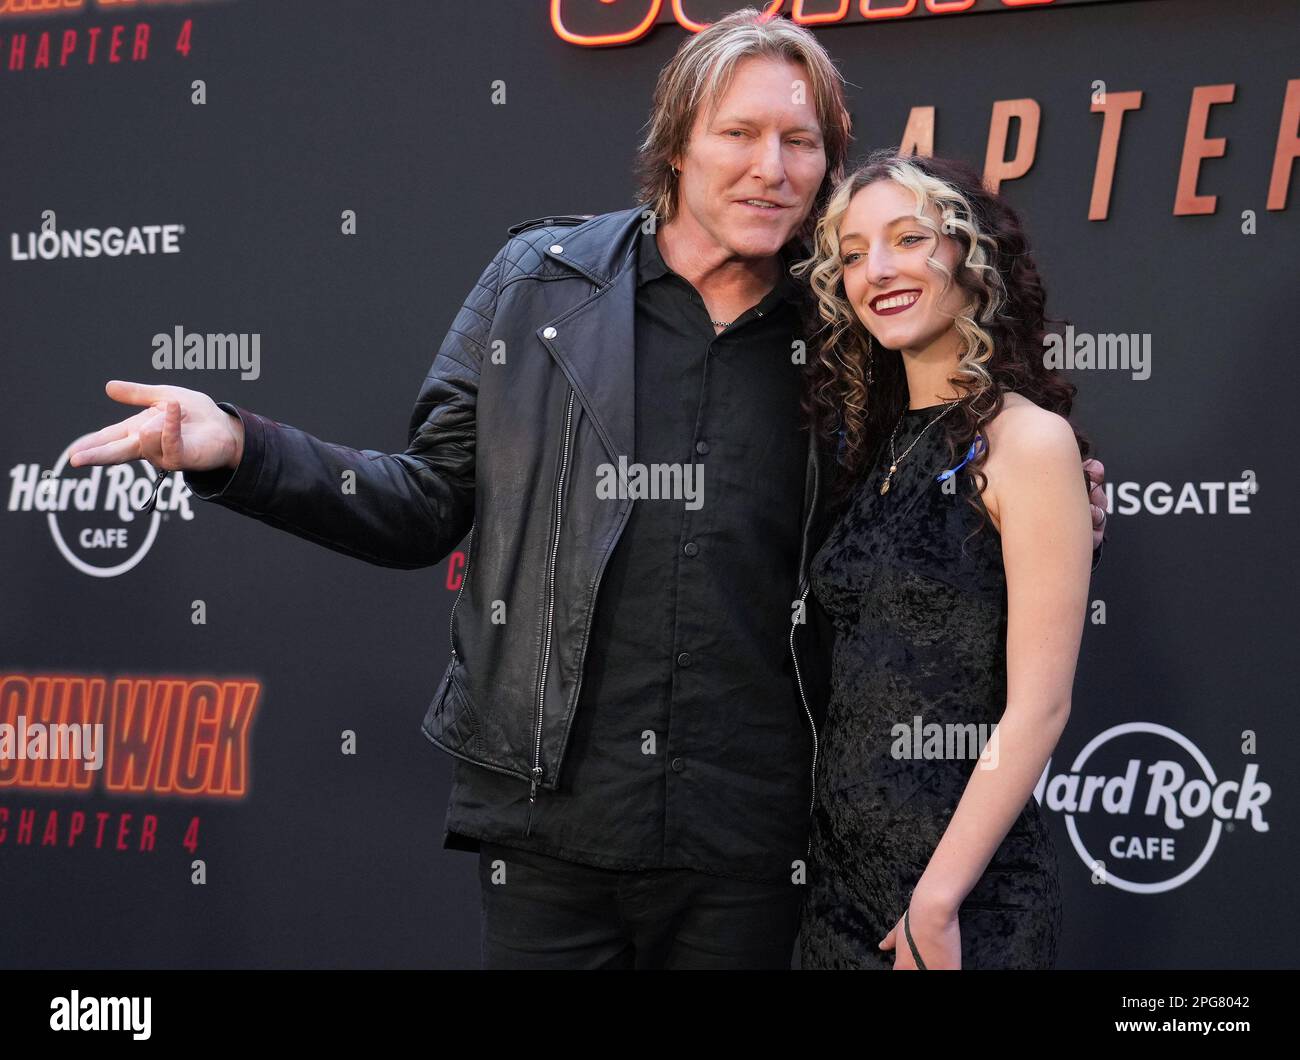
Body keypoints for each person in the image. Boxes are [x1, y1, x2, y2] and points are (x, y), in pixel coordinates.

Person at [66, 10, 1105, 969]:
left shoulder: (839, 324)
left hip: (757, 844)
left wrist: (1048, 491)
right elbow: (422, 500)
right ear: (677, 144)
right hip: (551, 830)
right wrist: (237, 447)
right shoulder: (537, 282)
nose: (771, 169)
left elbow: (938, 461)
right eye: (738, 135)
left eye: (800, 143)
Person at [792, 150, 1094, 969]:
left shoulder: (1027, 440)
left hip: (963, 903)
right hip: (838, 894)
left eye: (907, 239)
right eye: (852, 254)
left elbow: (1039, 709)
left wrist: (936, 900)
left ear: (970, 254)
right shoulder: (872, 451)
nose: (876, 270)